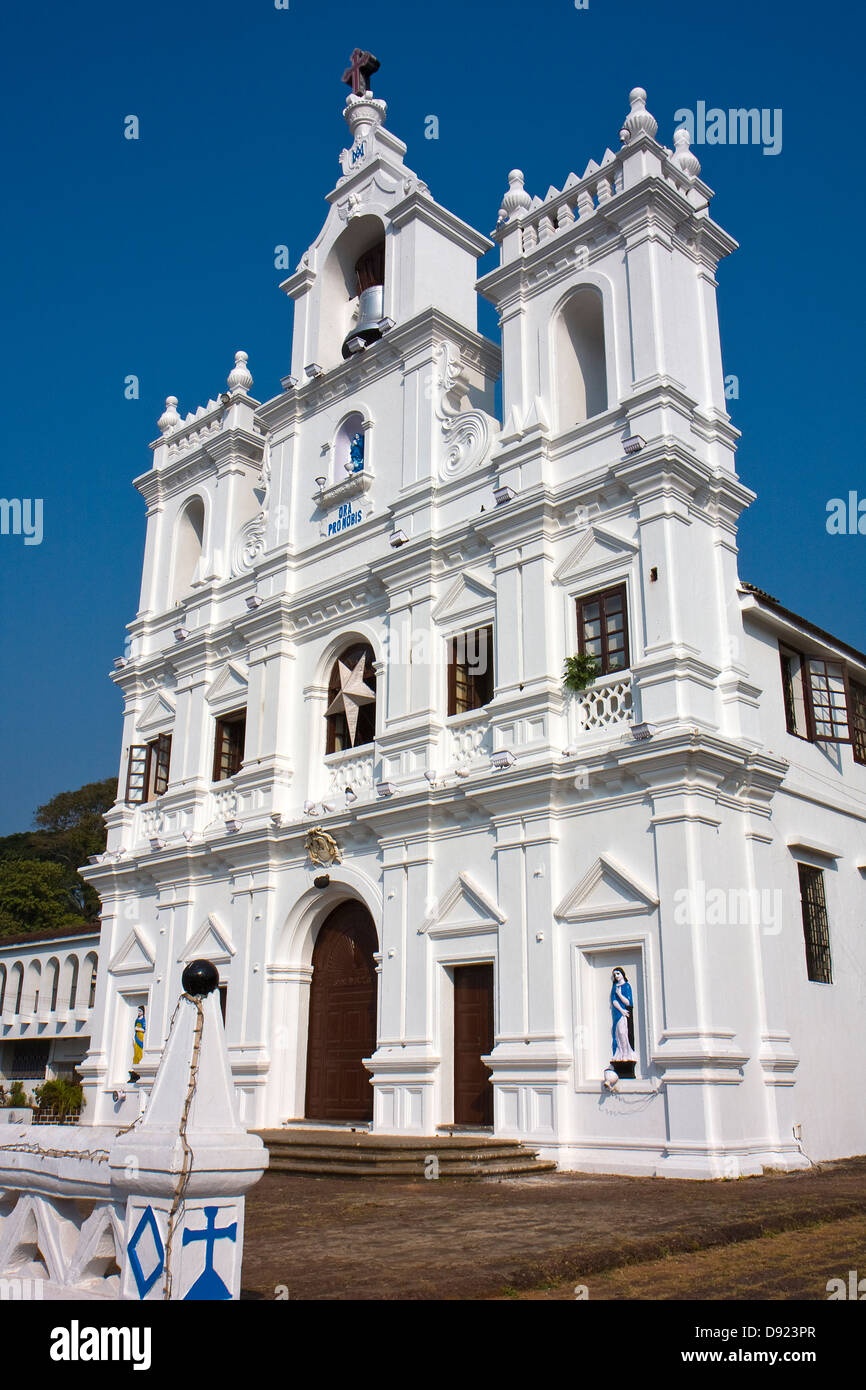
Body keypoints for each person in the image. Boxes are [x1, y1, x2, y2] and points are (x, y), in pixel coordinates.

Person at [610, 967, 636, 1065]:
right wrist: (621, 1010)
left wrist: (619, 994)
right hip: (618, 1012)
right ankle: (620, 1053)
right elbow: (614, 1000)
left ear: (622, 974)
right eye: (614, 975)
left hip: (625, 1013)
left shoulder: (627, 986)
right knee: (617, 1034)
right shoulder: (615, 987)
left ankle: (626, 1053)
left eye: (618, 973)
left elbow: (628, 1002)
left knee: (623, 1032)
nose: (616, 976)